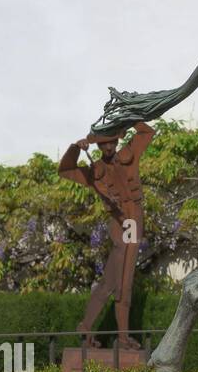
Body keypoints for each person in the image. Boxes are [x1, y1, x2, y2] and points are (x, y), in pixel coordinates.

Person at [58, 122, 154, 350]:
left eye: (111, 141)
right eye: (103, 144)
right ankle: (121, 338)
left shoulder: (129, 155)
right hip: (121, 223)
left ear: (118, 140)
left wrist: (129, 116)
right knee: (122, 281)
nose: (108, 147)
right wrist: (75, 148)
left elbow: (147, 132)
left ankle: (89, 327)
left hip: (132, 219)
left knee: (115, 280)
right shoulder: (95, 171)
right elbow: (65, 170)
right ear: (98, 146)